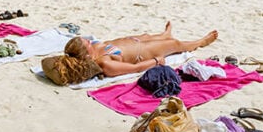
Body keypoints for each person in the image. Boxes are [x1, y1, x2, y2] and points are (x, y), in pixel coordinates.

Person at [42, 23, 219, 83]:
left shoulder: (94, 49)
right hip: (146, 52)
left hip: (138, 41)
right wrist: (156, 62)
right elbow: (133, 68)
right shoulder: (104, 63)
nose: (89, 40)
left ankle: (163, 35)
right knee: (175, 44)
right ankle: (200, 42)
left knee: (148, 36)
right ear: (85, 51)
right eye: (86, 42)